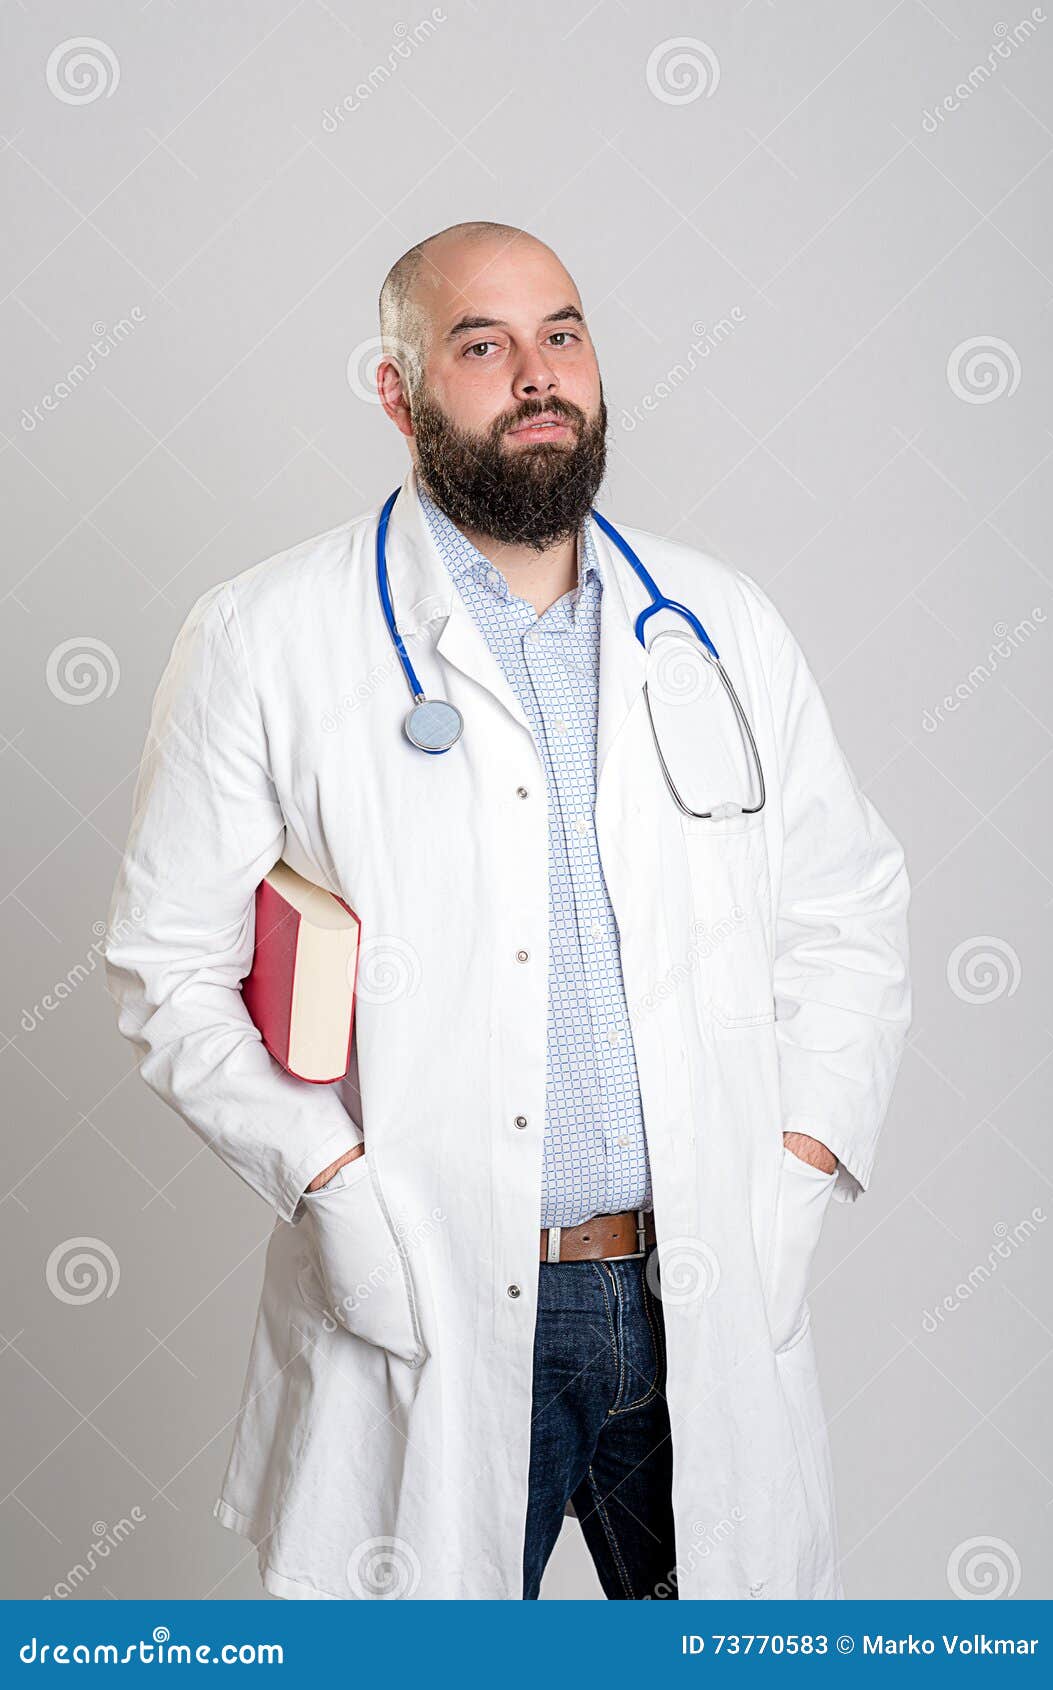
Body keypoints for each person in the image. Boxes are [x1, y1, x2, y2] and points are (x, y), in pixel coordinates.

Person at [104, 220, 911, 1602]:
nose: (537, 374)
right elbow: (166, 966)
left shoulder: (717, 625)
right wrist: (327, 1183)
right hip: (425, 1290)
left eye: (564, 334)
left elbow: (850, 913)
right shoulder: (268, 634)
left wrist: (799, 1164)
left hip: (693, 1291)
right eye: (483, 344)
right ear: (398, 389)